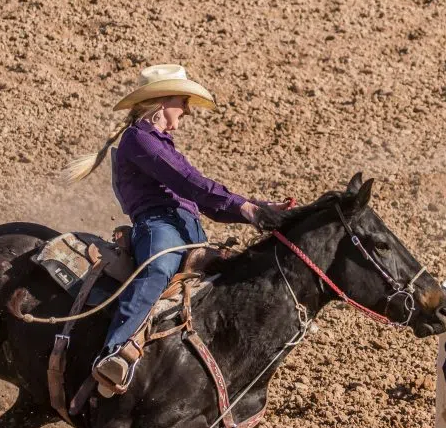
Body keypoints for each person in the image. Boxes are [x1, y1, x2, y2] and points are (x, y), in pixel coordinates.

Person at [65, 64, 287, 389]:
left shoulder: (159, 143)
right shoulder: (139, 139)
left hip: (187, 229)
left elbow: (202, 194)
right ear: (162, 101)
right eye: (183, 101)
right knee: (158, 271)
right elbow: (191, 184)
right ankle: (114, 352)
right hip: (161, 227)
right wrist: (247, 207)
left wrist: (258, 208)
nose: (187, 109)